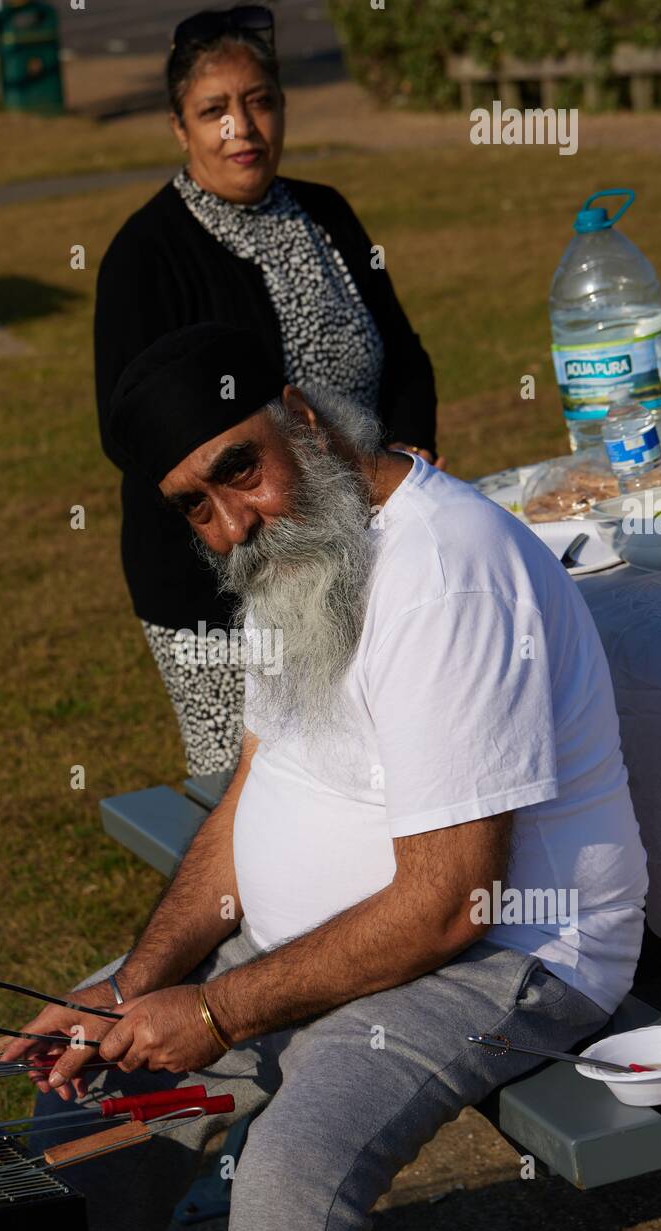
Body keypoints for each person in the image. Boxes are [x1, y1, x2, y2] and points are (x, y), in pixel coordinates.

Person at [3, 324, 648, 1231]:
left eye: (240, 470)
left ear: (301, 417)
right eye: (195, 508)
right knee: (84, 1106)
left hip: (503, 955)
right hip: (327, 939)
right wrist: (135, 986)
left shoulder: (448, 574)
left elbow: (449, 906)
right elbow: (248, 801)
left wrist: (217, 1010)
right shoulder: (299, 551)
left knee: (289, 1176)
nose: (232, 523)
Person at [94, 3, 440, 777]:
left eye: (259, 102)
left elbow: (407, 355)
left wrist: (408, 458)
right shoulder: (145, 256)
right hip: (224, 585)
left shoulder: (326, 212)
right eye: (213, 110)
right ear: (180, 130)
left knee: (380, 762)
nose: (241, 128)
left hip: (362, 543)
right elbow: (129, 437)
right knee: (257, 793)